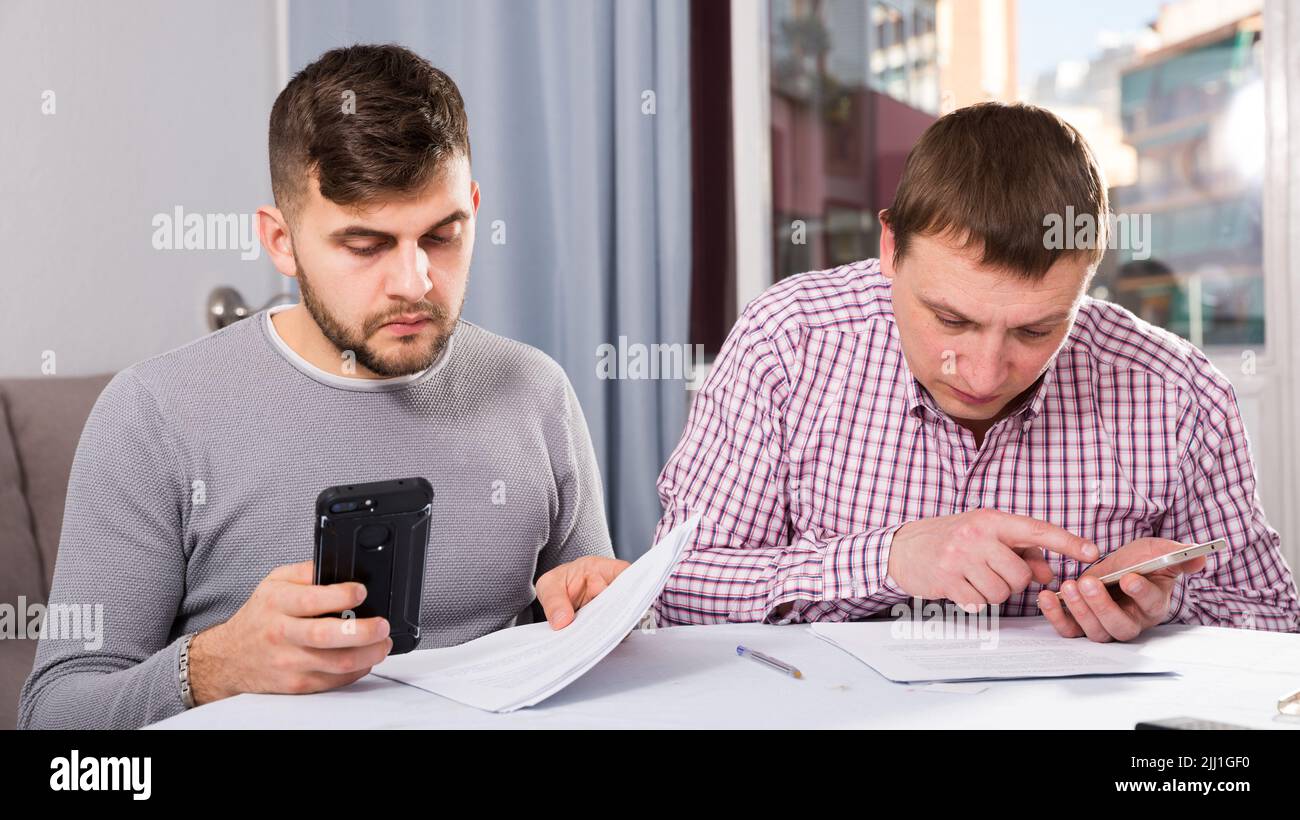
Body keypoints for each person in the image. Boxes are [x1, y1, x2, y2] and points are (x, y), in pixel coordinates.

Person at [19, 44, 627, 730]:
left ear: (475, 209)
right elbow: (54, 719)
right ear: (280, 240)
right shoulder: (152, 415)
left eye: (441, 235)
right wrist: (215, 667)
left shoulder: (536, 392)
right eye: (365, 245)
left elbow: (587, 643)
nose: (413, 283)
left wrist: (605, 613)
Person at [652, 102, 1300, 641]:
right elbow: (676, 590)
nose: (986, 375)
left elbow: (1274, 620)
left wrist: (1167, 608)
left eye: (1035, 329)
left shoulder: (1179, 393)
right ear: (889, 249)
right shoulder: (790, 341)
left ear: (1086, 285)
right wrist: (888, 559)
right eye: (950, 320)